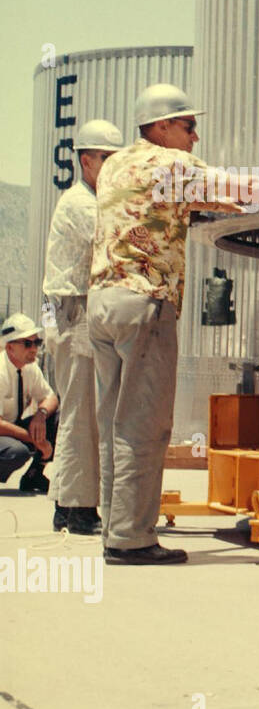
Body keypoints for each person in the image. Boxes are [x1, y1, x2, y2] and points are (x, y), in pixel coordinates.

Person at [90, 84, 259, 566]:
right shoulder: (166, 166)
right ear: (160, 127)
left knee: (115, 424)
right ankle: (130, 540)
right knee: (145, 425)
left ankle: (115, 527)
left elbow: (209, 202)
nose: (195, 136)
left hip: (103, 304)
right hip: (145, 302)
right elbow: (237, 187)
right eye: (187, 126)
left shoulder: (119, 164)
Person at [42, 119, 124, 534]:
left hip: (76, 312)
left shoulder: (93, 198)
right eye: (107, 159)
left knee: (85, 410)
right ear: (86, 160)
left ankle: (72, 502)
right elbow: (111, 238)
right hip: (72, 313)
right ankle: (77, 507)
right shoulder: (81, 202)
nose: (112, 167)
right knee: (79, 413)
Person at [0, 314, 59, 492]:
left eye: (37, 343)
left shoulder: (29, 367)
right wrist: (37, 440)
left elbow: (51, 398)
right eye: (27, 343)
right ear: (10, 348)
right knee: (16, 452)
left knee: (58, 419)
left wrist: (40, 415)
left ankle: (35, 475)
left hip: (10, 427)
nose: (34, 349)